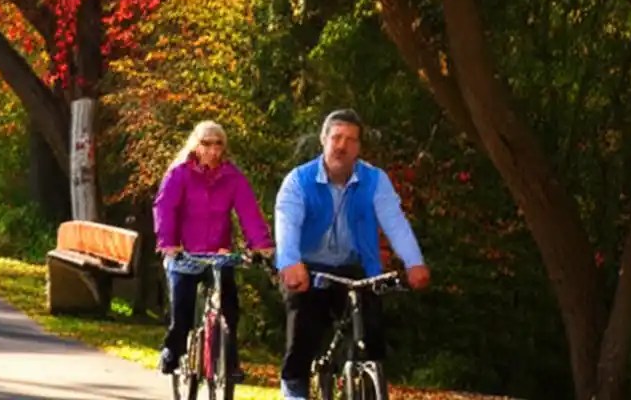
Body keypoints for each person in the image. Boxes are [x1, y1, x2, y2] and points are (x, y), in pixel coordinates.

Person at [273, 109, 430, 400]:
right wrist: (290, 262)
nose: (342, 146)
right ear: (323, 139)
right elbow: (287, 223)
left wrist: (414, 262)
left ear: (359, 147)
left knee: (371, 331)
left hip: (353, 267)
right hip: (308, 268)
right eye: (336, 137)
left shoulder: (374, 180)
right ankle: (294, 388)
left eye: (350, 140)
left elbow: (394, 222)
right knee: (303, 331)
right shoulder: (299, 180)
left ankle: (366, 384)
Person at [153, 120, 274, 381]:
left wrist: (261, 245)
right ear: (196, 146)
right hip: (184, 253)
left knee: (229, 309)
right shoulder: (179, 174)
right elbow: (165, 209)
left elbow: (249, 213)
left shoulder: (233, 178)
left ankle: (229, 363)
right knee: (182, 312)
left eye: (218, 144)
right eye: (207, 143)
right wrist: (169, 243)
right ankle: (172, 351)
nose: (213, 149)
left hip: (218, 254)